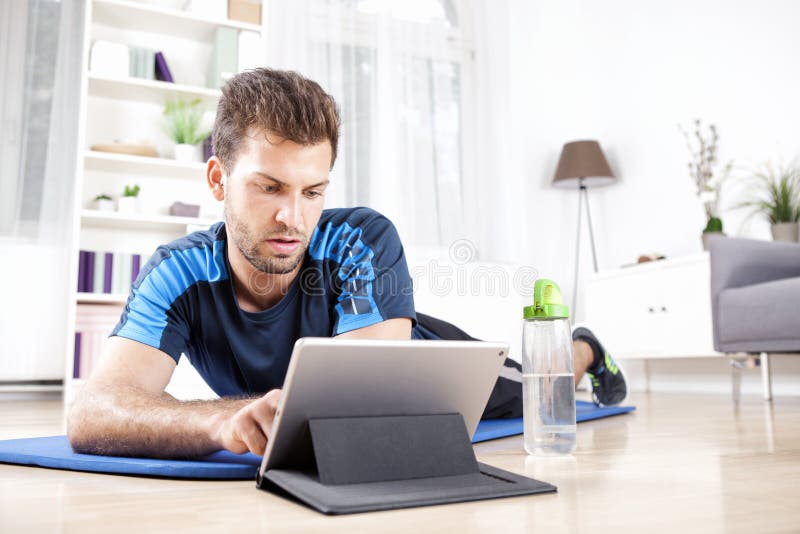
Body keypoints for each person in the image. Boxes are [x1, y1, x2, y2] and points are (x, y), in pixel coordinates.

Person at [67, 68, 626, 459]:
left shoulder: (360, 238)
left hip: (428, 371)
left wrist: (208, 417)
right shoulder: (177, 272)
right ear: (218, 180)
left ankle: (585, 347)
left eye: (313, 192)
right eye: (269, 187)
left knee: (537, 389)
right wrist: (216, 420)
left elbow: (366, 411)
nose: (293, 217)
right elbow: (93, 413)